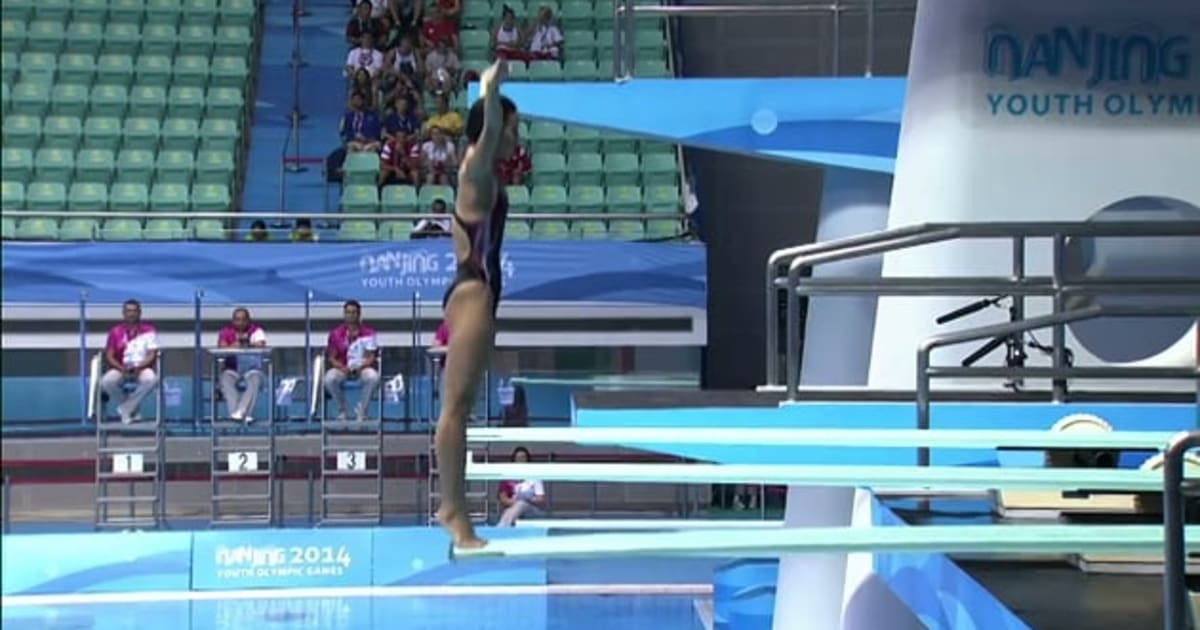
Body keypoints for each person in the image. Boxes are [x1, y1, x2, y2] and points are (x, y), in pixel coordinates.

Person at [435, 60, 518, 549]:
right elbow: (486, 138)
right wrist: (490, 91)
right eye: (512, 127)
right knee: (456, 410)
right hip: (472, 295)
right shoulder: (474, 168)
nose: (514, 137)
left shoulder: (482, 175)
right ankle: (454, 513)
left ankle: (455, 510)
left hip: (476, 293)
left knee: (461, 408)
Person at [497, 447, 544, 526]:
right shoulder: (508, 476)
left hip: (530, 507)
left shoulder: (534, 475)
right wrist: (516, 502)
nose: (520, 460)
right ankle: (503, 527)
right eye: (518, 458)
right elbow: (503, 498)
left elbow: (541, 499)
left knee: (521, 504)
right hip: (513, 506)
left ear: (527, 459)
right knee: (514, 508)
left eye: (523, 457)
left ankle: (501, 528)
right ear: (514, 459)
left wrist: (530, 499)